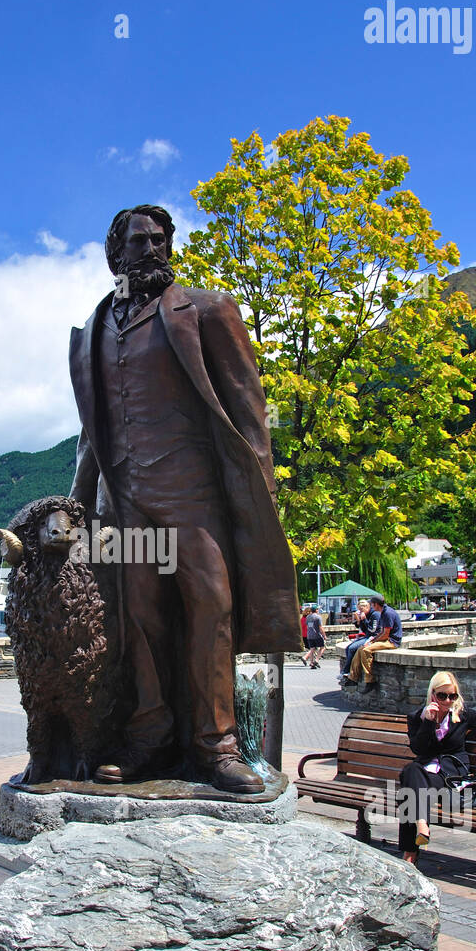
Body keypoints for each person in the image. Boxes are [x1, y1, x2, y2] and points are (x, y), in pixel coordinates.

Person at [69, 205, 302, 792]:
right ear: (114, 252)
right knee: (140, 619)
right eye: (138, 240)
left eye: (159, 239)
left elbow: (248, 410)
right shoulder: (94, 327)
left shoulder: (207, 310)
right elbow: (90, 430)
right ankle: (148, 735)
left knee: (211, 608)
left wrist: (260, 490)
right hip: (124, 499)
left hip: (193, 492)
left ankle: (215, 744)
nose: (151, 248)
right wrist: (77, 505)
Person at [398, 671, 476, 865]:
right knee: (411, 772)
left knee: (409, 791)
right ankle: (420, 825)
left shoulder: (462, 715)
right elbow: (418, 749)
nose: (448, 701)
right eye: (442, 696)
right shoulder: (416, 717)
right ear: (432, 695)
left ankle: (411, 853)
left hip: (452, 779)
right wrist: (428, 722)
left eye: (452, 696)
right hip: (427, 777)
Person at [346, 593, 402, 691]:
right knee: (360, 648)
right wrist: (372, 640)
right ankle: (353, 678)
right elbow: (381, 632)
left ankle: (370, 680)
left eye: (371, 604)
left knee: (366, 650)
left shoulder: (387, 613)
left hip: (392, 641)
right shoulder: (383, 612)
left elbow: (385, 634)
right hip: (386, 639)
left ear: (375, 604)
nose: (371, 606)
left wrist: (372, 642)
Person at [338, 599, 378, 683]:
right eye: (359, 610)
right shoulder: (365, 614)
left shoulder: (374, 615)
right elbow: (363, 630)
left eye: (361, 610)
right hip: (367, 635)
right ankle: (346, 671)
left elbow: (372, 630)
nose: (360, 611)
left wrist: (364, 620)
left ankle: (346, 671)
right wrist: (359, 621)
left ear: (367, 607)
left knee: (352, 648)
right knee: (348, 647)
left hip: (373, 637)